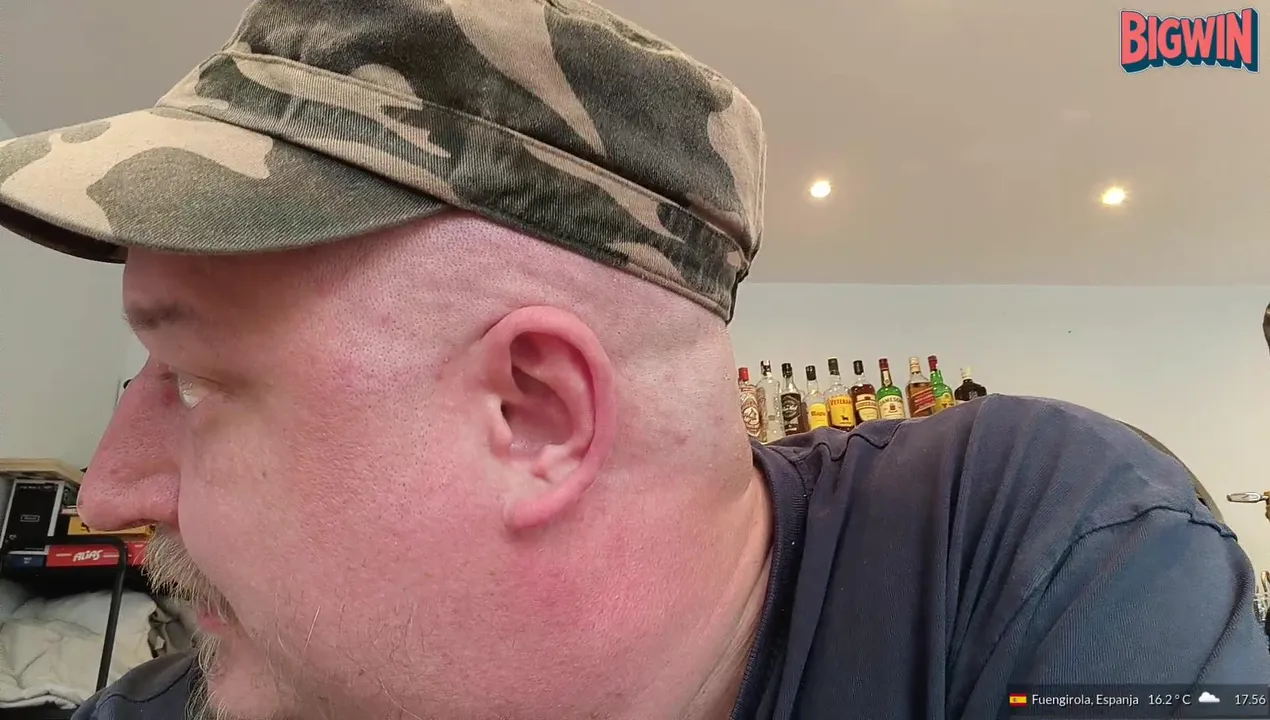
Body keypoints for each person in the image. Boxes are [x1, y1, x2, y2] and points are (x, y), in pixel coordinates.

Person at [0, 1, 1266, 718]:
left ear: (535, 412)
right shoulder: (235, 686)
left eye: (196, 381)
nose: (107, 492)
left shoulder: (1021, 553)